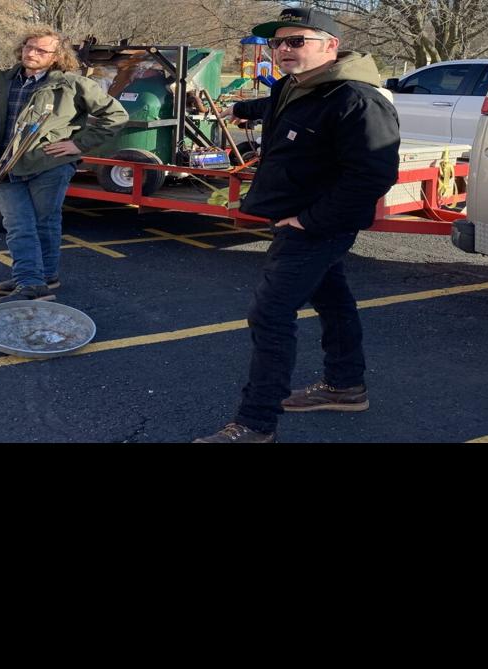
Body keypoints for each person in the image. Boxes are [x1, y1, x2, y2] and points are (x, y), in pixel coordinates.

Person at [196, 7, 400, 443]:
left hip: (317, 225)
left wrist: (308, 221)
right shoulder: (294, 85)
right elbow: (280, 107)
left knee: (269, 313)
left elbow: (373, 176)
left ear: (331, 45)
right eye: (278, 42)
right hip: (293, 217)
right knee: (333, 299)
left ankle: (255, 424)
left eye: (296, 41)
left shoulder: (357, 100)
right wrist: (241, 108)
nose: (283, 49)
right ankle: (345, 386)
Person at [0, 26, 128, 306]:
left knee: (44, 223)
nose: (32, 53)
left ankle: (39, 278)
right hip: (3, 166)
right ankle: (32, 279)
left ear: (57, 56)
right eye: (28, 46)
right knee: (18, 225)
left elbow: (115, 115)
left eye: (41, 50)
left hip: (48, 165)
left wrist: (78, 144)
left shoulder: (72, 84)